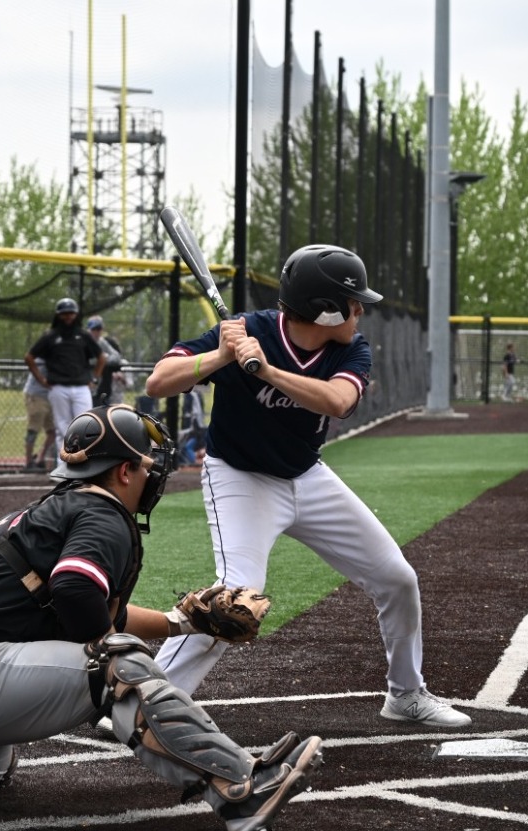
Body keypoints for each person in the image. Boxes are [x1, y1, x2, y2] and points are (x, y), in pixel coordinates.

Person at [0, 405, 324, 831]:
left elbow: (76, 600)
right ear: (124, 472)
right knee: (114, 661)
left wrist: (180, 622)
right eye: (146, 465)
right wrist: (119, 665)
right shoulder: (105, 515)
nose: (154, 475)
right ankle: (239, 786)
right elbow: (76, 592)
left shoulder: (63, 506)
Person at [144, 244, 471, 728]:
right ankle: (147, 698)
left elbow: (337, 402)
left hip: (307, 476)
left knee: (397, 578)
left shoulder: (350, 348)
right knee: (236, 598)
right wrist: (219, 356)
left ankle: (406, 694)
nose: (360, 311)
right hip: (240, 477)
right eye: (354, 302)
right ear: (326, 309)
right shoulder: (246, 331)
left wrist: (267, 371)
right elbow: (158, 382)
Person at [25, 297, 104, 442]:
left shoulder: (83, 335)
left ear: (76, 315)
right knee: (63, 428)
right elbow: (29, 357)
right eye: (64, 313)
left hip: (81, 387)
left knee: (84, 425)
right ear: (58, 315)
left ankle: (83, 460)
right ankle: (63, 462)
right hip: (58, 387)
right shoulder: (50, 336)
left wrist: (95, 379)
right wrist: (41, 380)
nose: (68, 316)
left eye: (71, 313)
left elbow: (101, 357)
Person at [21, 358, 57, 472]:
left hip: (50, 396)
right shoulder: (43, 356)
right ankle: (28, 462)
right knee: (33, 429)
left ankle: (40, 458)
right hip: (36, 395)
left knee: (53, 431)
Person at [86, 315, 127, 407]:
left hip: (102, 389)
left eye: (99, 329)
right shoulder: (84, 341)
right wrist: (98, 360)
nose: (97, 332)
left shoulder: (102, 342)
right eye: (94, 329)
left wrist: (104, 359)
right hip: (86, 387)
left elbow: (116, 357)